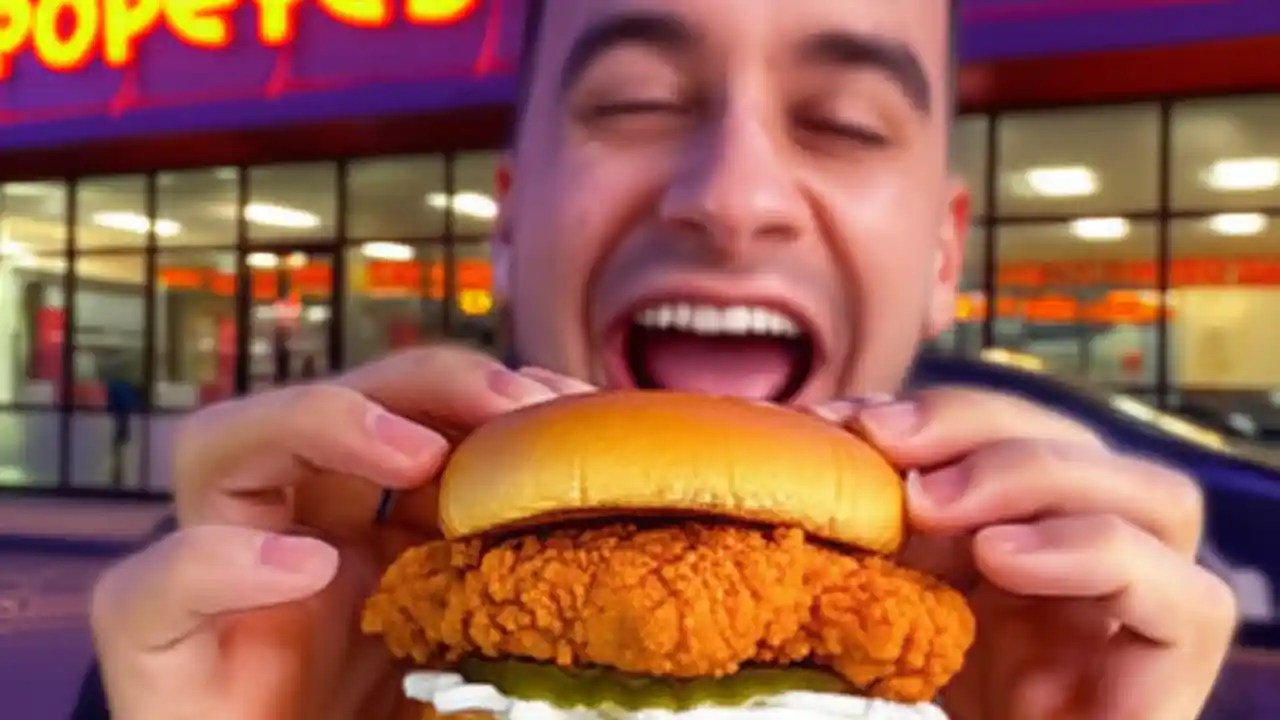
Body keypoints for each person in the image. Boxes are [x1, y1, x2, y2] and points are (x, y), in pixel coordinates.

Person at [76, 2, 1237, 718]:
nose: (730, 198)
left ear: (941, 253)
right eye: (633, 103)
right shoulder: (240, 604)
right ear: (509, 226)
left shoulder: (1090, 636)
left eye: (842, 120)